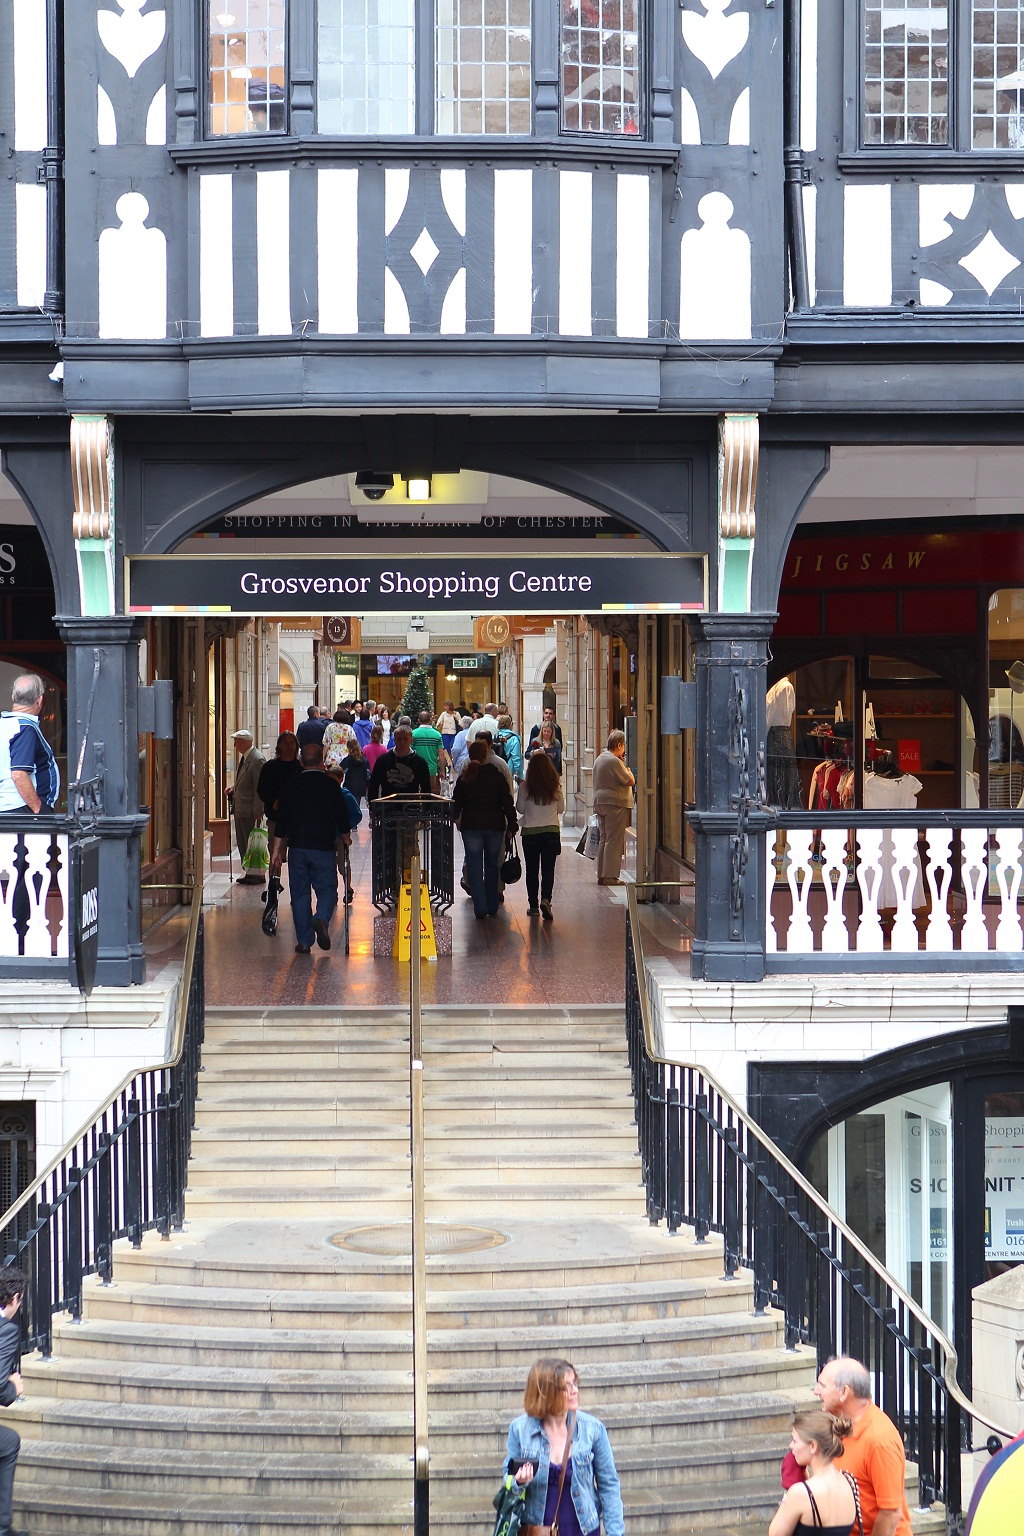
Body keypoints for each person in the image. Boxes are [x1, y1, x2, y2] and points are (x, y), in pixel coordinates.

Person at [505, 1357, 624, 1536]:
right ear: (546, 1392)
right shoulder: (520, 1429)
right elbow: (508, 1481)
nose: (575, 1390)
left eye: (575, 1384)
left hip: (583, 1529)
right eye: (566, 1387)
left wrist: (615, 1533)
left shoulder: (592, 1429)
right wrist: (518, 1482)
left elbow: (609, 1486)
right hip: (538, 1531)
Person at [270, 742, 352, 955]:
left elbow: (282, 821)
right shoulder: (331, 786)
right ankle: (321, 918)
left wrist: (276, 850)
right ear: (322, 763)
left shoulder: (291, 786)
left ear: (301, 762)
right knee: (327, 890)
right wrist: (345, 836)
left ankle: (304, 941)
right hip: (323, 847)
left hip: (298, 848)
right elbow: (341, 816)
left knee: (299, 894)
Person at [813, 1357, 911, 1536]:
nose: (816, 1391)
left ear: (843, 1392)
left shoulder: (878, 1441)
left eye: (822, 1385)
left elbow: (890, 1513)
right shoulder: (844, 1426)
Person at [451, 739, 516, 919]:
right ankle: (492, 905)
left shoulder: (465, 778)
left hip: (471, 826)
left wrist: (454, 818)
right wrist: (512, 823)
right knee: (492, 865)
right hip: (494, 826)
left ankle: (480, 907)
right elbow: (507, 802)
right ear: (486, 755)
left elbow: (456, 802)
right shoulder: (496, 776)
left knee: (474, 865)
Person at [768, 1410, 858, 1536]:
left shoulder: (801, 1493)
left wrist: (788, 1494)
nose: (791, 1446)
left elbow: (775, 1534)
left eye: (795, 1441)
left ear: (813, 1446)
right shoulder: (850, 1482)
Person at [0, 673, 60, 816]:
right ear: (40, 700)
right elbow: (19, 774)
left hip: (8, 807)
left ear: (13, 698)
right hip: (22, 809)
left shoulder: (4, 725)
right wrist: (39, 810)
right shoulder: (24, 728)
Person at [517, 751, 564, 921]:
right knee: (548, 870)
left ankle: (533, 906)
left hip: (530, 833)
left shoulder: (525, 787)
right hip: (551, 832)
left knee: (532, 870)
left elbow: (520, 809)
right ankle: (546, 899)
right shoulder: (555, 785)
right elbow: (561, 809)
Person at [0, 1265, 27, 1536]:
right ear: (15, 1298)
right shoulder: (5, 1330)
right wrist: (13, 1389)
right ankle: (2, 1527)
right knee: (8, 1442)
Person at [592, 730, 634, 886]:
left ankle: (602, 874)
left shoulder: (601, 758)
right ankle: (610, 876)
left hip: (600, 803)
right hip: (614, 803)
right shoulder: (614, 761)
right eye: (624, 746)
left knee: (604, 838)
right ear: (619, 744)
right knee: (614, 840)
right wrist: (627, 768)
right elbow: (630, 780)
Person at [229, 729, 267, 884]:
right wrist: (233, 788)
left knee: (252, 842)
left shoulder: (257, 759)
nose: (234, 745)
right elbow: (244, 780)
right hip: (241, 808)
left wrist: (258, 810)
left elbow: (259, 787)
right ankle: (250, 872)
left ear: (244, 742)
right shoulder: (246, 758)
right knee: (244, 842)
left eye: (236, 742)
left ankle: (257, 874)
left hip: (250, 810)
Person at [256, 731, 301, 858]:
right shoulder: (270, 767)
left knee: (297, 855)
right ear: (279, 745)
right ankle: (274, 877)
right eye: (285, 743)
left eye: (292, 742)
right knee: (275, 855)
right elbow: (262, 789)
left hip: (297, 820)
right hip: (275, 817)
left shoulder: (300, 768)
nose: (289, 746)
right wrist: (273, 801)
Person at [367, 724, 432, 801]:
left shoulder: (420, 763)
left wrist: (426, 809)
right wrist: (372, 806)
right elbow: (374, 784)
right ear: (394, 740)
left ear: (411, 740)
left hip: (411, 808)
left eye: (405, 738)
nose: (402, 742)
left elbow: (426, 789)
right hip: (387, 807)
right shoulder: (383, 760)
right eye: (399, 738)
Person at [411, 709, 448, 793]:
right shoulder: (437, 735)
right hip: (431, 769)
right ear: (430, 720)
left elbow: (410, 751)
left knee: (415, 793)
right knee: (428, 793)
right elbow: (441, 754)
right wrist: (442, 771)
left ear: (419, 721)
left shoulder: (414, 734)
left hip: (416, 769)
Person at [323, 708, 357, 773]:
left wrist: (323, 757)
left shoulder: (330, 727)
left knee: (331, 774)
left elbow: (326, 744)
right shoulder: (349, 728)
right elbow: (353, 742)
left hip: (332, 754)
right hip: (345, 754)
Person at [341, 736, 371, 809]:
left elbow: (341, 771)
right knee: (356, 806)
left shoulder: (347, 761)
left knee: (348, 807)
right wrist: (368, 785)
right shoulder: (364, 761)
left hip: (349, 786)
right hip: (361, 786)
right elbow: (368, 775)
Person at [497, 714, 524, 782]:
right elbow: (516, 755)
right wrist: (517, 770)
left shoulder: (495, 736)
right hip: (509, 767)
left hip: (497, 767)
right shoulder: (514, 738)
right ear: (509, 725)